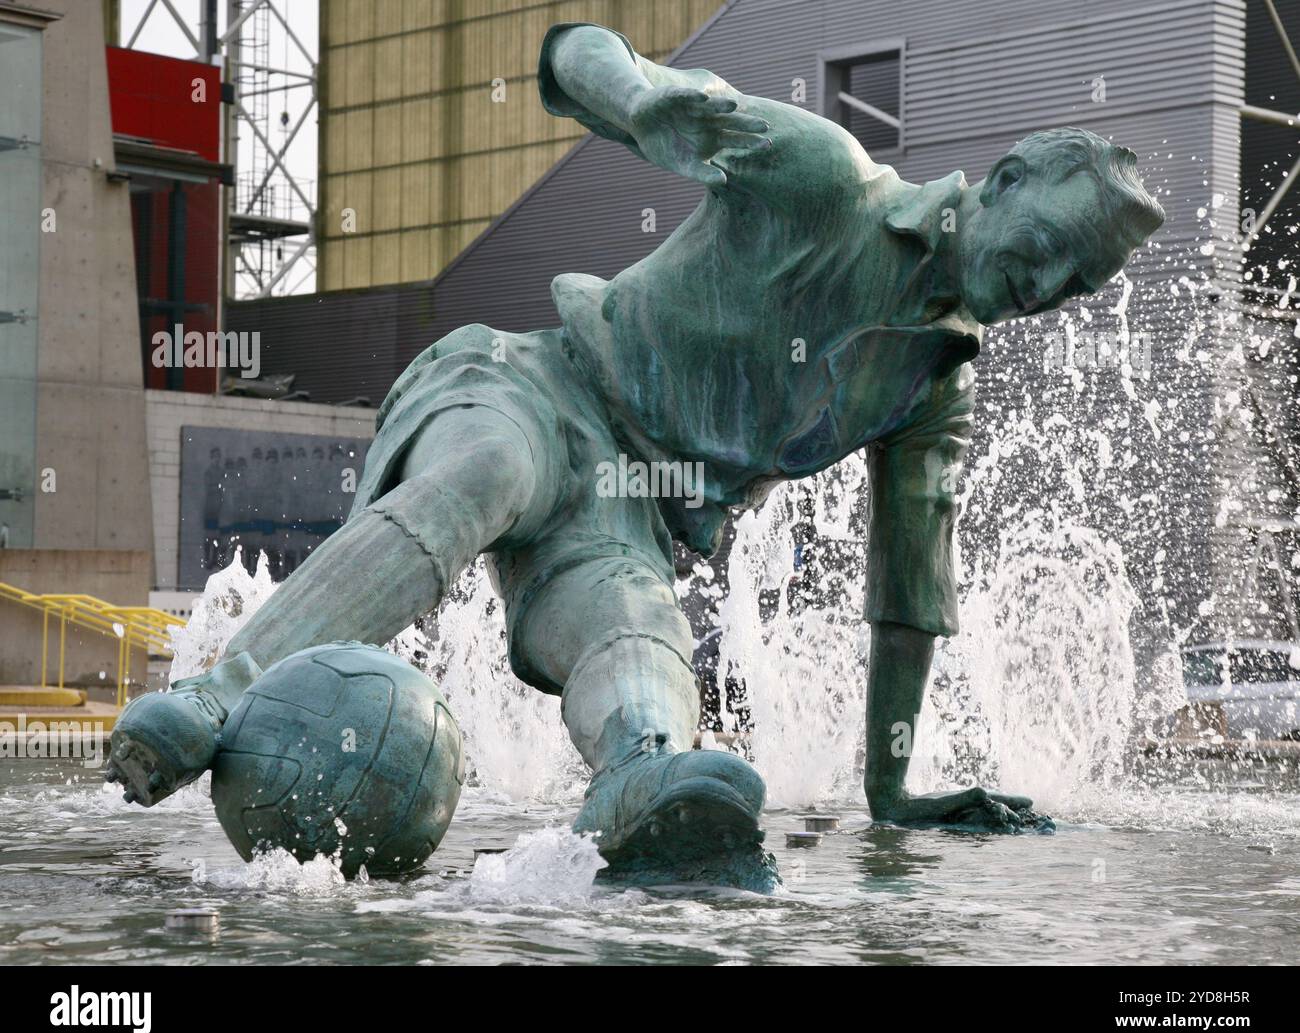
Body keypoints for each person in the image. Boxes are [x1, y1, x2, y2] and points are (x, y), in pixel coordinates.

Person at [106, 22, 1163, 876]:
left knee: (641, 648)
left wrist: (893, 788)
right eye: (1046, 252)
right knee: (484, 474)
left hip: (628, 514)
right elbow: (630, 87)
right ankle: (217, 694)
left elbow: (907, 594)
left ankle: (640, 787)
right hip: (536, 388)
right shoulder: (821, 176)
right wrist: (590, 63)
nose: (1046, 289)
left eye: (1076, 284)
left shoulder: (934, 389)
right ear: (1010, 180)